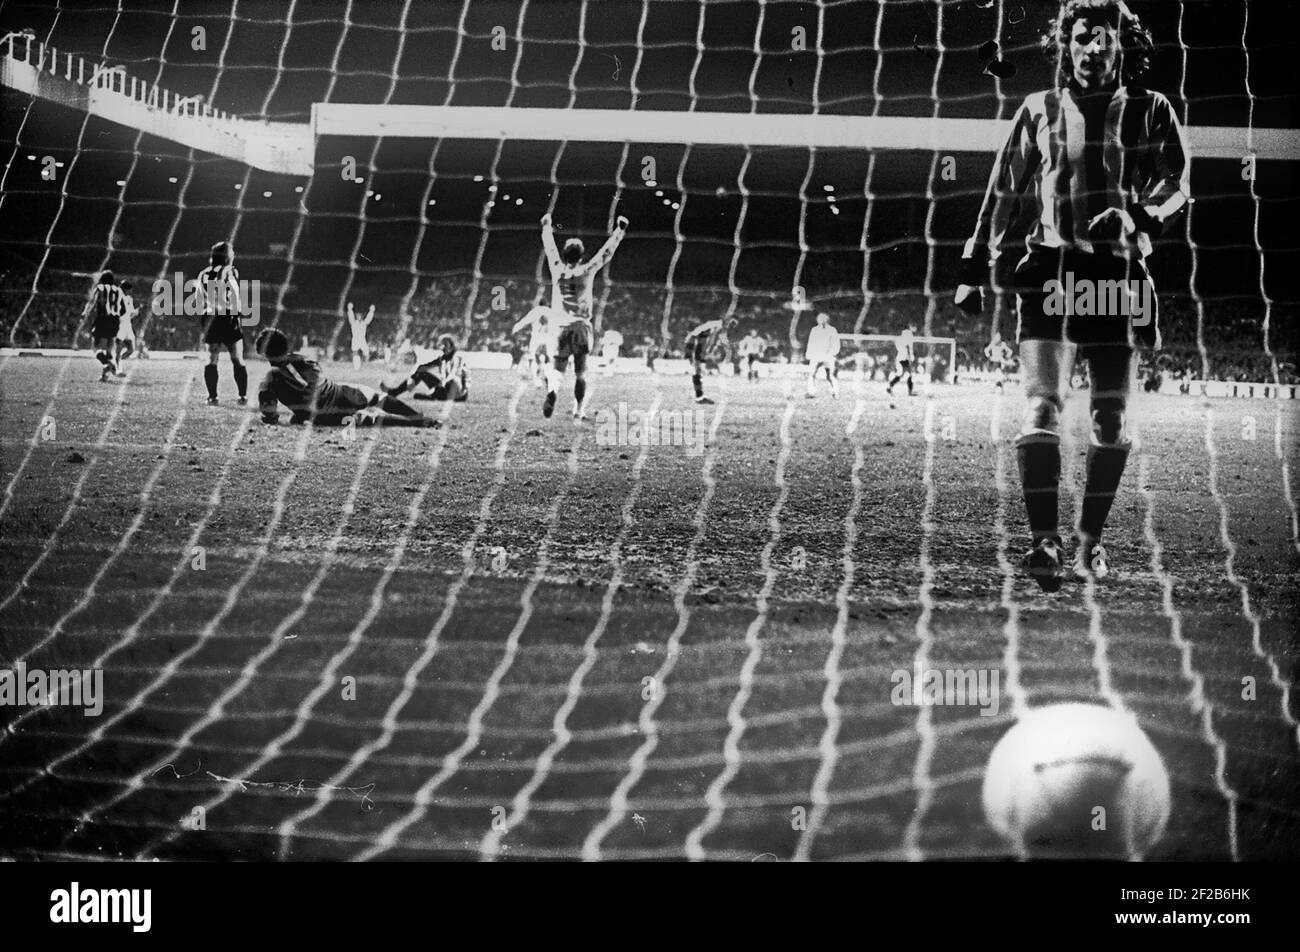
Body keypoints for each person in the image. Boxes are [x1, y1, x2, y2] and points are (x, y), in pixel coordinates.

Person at [954, 0, 1189, 590]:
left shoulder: (1151, 108)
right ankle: (1044, 543)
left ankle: (1090, 542)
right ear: (1068, 44)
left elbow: (1178, 184)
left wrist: (1137, 214)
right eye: (1082, 37)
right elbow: (1001, 193)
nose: (1093, 48)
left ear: (1120, 45)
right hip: (1051, 271)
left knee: (1109, 416)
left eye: (1104, 38)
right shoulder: (1037, 110)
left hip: (1118, 275)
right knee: (1042, 406)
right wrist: (971, 266)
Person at [539, 212, 629, 419]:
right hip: (581, 326)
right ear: (581, 256)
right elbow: (605, 254)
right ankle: (578, 410)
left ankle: (552, 391)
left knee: (557, 369)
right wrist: (619, 231)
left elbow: (549, 248)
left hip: (560, 326)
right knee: (581, 373)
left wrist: (546, 226)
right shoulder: (586, 271)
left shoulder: (556, 268)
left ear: (564, 254)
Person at [255, 328, 437, 427]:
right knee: (375, 397)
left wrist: (289, 415)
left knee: (367, 418)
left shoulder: (271, 377)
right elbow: (313, 384)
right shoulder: (304, 359)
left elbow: (270, 406)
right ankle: (417, 417)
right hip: (337, 393)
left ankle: (415, 422)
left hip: (322, 415)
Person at [199, 241, 249, 405]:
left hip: (211, 317)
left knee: (211, 359)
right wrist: (238, 315)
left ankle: (212, 397)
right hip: (228, 316)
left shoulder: (203, 273)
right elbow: (235, 295)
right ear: (227, 256)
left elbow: (200, 299)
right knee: (237, 359)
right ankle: (242, 396)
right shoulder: (231, 271)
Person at [382, 334, 469, 402]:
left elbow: (454, 376)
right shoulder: (442, 358)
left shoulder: (457, 358)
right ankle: (394, 392)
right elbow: (423, 367)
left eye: (445, 345)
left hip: (458, 393)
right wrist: (413, 377)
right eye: (442, 345)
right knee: (421, 373)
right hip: (445, 388)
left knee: (447, 384)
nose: (442, 347)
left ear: (451, 346)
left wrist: (441, 385)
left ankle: (433, 394)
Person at [80, 271, 127, 382]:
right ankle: (105, 376)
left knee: (95, 346)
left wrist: (85, 313)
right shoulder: (119, 291)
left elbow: (93, 302)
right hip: (114, 321)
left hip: (102, 319)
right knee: (109, 350)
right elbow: (123, 310)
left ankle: (106, 364)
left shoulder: (100, 288)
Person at [683, 318, 738, 405]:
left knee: (698, 372)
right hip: (696, 349)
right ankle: (699, 397)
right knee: (697, 372)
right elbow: (694, 334)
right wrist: (689, 352)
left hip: (702, 351)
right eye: (730, 325)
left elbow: (720, 340)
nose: (729, 328)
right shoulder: (712, 325)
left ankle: (699, 396)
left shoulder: (720, 329)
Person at [804, 312, 841, 399]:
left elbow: (835, 343)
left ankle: (835, 392)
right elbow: (811, 342)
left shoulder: (832, 330)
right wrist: (809, 353)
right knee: (812, 374)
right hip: (816, 355)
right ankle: (811, 392)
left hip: (828, 356)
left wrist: (833, 353)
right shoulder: (815, 330)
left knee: (830, 375)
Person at [113, 279, 139, 374]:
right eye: (129, 290)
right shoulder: (117, 298)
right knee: (118, 349)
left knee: (131, 350)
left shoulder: (129, 299)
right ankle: (118, 368)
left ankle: (116, 363)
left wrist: (135, 312)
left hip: (128, 326)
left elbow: (130, 314)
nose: (130, 291)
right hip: (119, 325)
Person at [886, 324, 917, 398]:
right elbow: (910, 348)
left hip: (901, 358)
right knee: (905, 375)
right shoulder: (908, 336)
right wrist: (911, 356)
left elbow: (904, 347)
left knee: (902, 374)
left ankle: (890, 387)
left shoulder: (900, 338)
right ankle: (909, 391)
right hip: (903, 358)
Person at [348, 302, 375, 370]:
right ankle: (355, 366)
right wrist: (350, 309)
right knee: (355, 352)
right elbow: (350, 316)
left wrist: (371, 311)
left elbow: (369, 318)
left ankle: (366, 364)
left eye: (360, 316)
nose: (359, 317)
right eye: (357, 316)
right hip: (355, 339)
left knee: (366, 352)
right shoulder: (354, 323)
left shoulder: (364, 323)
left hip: (362, 339)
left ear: (362, 317)